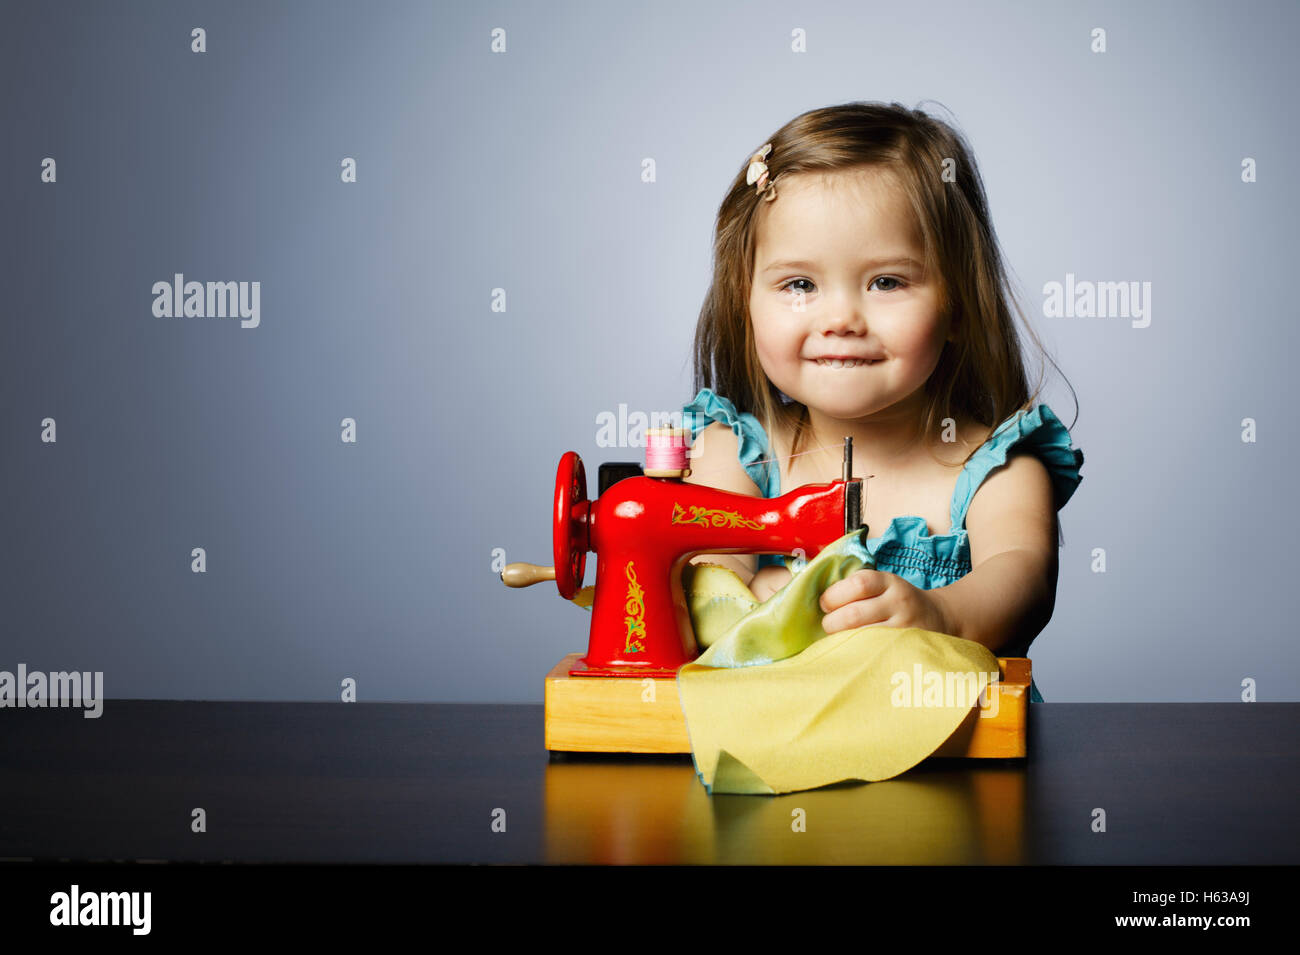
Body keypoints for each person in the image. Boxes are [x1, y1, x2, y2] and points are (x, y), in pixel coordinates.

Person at [681, 102, 1084, 702]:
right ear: (746, 303)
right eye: (799, 285)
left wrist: (943, 616)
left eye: (887, 282)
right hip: (769, 763)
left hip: (952, 765)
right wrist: (733, 597)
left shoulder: (999, 469)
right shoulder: (737, 456)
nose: (841, 318)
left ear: (957, 304)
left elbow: (1021, 578)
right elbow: (706, 590)